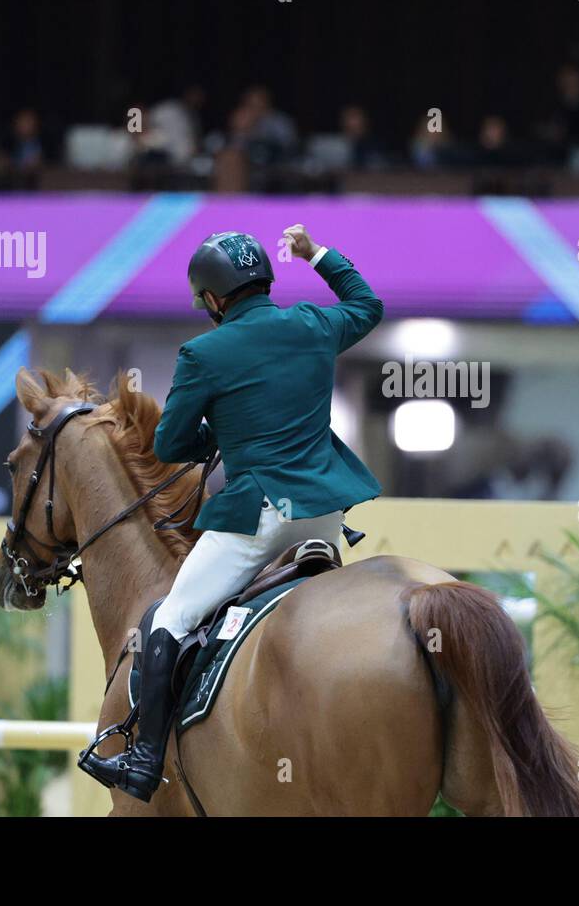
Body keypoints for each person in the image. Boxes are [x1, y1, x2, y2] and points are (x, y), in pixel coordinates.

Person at [79, 224, 384, 803]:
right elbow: (368, 304)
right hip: (321, 518)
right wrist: (317, 253)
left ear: (214, 300)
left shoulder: (204, 352)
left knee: (168, 619)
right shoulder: (314, 324)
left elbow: (169, 445)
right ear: (265, 280)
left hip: (259, 522)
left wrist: (217, 433)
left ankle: (143, 762)